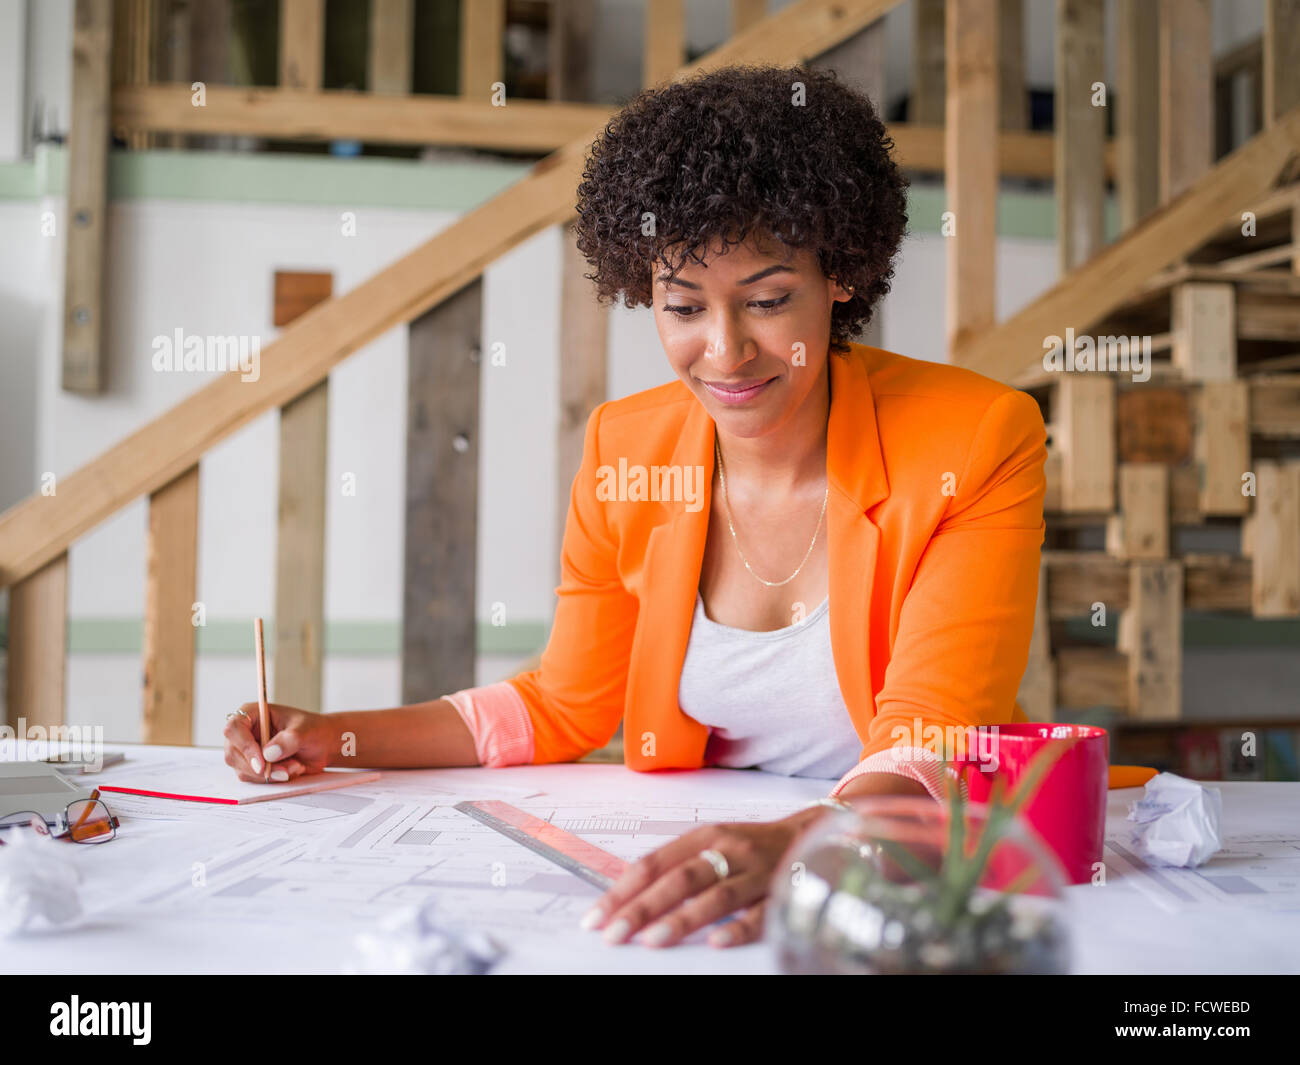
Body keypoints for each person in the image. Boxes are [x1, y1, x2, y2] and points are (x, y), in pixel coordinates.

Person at [223, 64, 1047, 951]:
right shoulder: (629, 448)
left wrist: (800, 847)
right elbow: (561, 704)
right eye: (683, 306)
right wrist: (338, 737)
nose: (724, 352)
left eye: (769, 301)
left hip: (881, 889)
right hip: (698, 877)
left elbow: (932, 738)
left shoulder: (975, 439)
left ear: (841, 273)